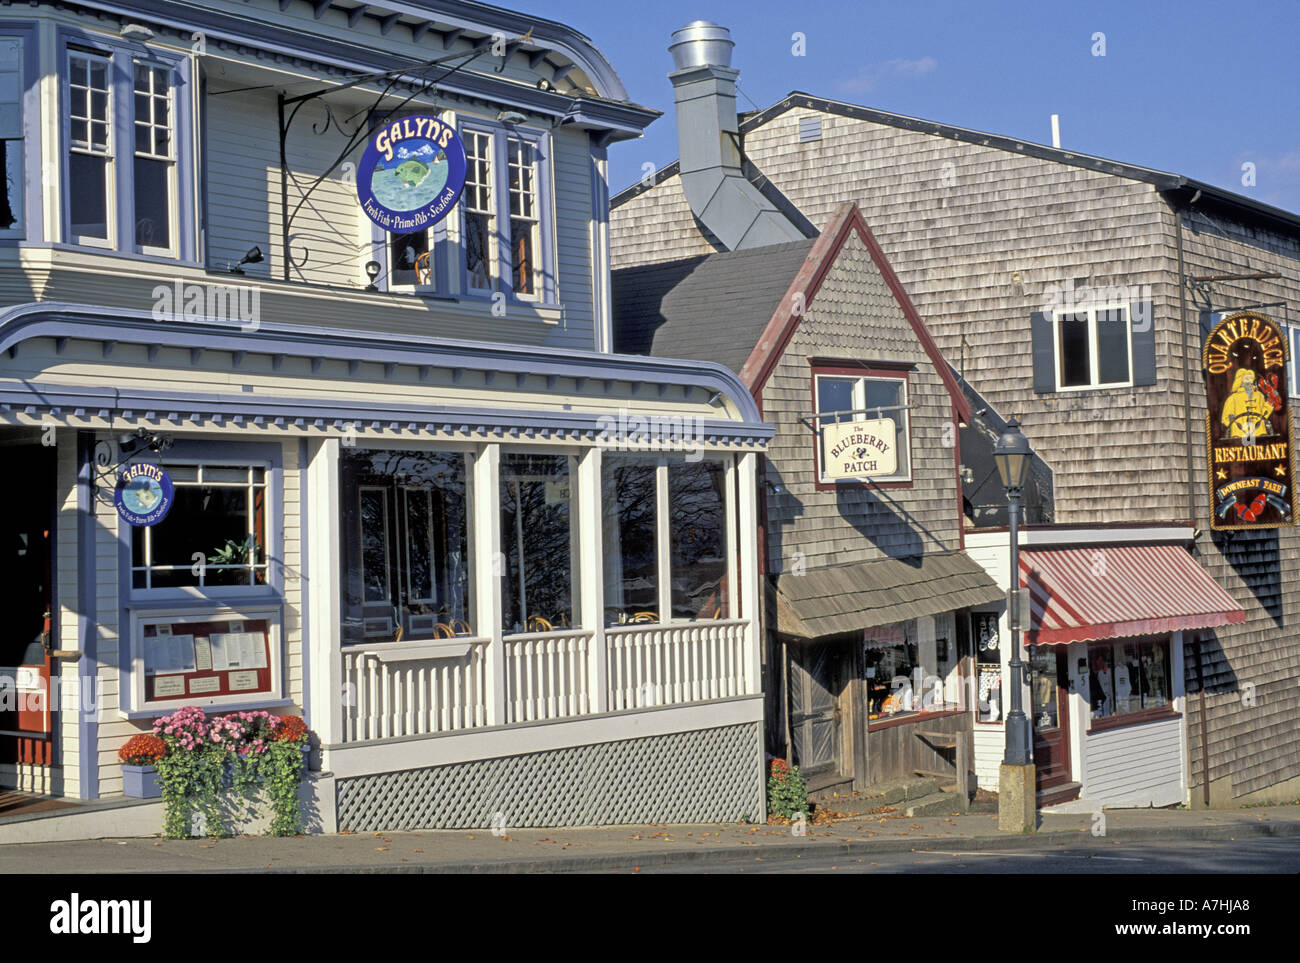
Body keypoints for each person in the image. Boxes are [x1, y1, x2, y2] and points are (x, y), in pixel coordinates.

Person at [1220, 369, 1274, 442]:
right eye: (1247, 379)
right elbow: (1225, 418)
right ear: (1240, 381)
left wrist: (1269, 405)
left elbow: (1263, 415)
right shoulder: (1233, 398)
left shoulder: (1259, 396)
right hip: (1239, 435)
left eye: (1251, 378)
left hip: (1259, 433)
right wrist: (1234, 426)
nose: (1249, 381)